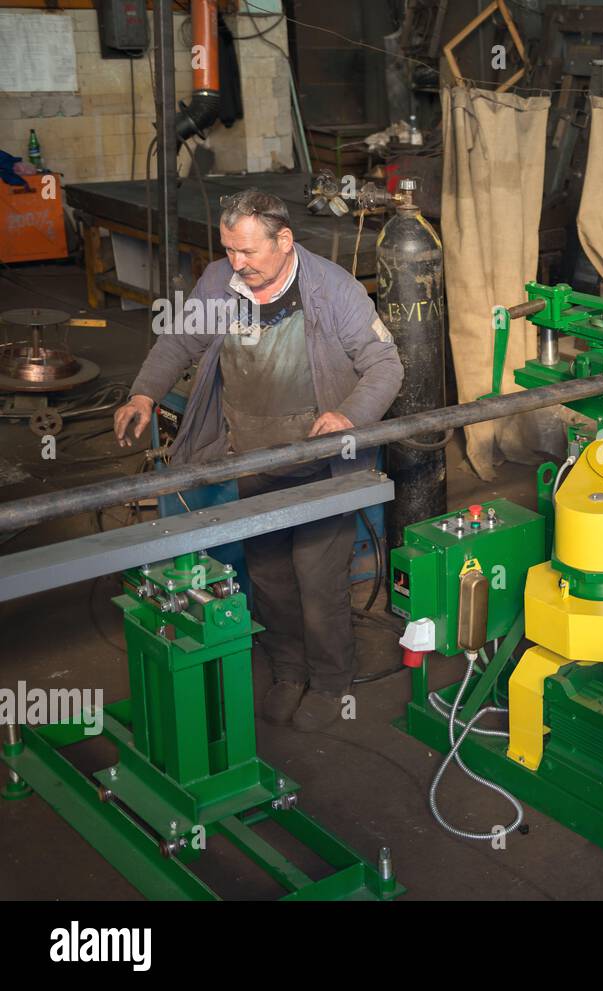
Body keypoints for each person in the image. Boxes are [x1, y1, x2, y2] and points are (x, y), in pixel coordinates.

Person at [113, 188, 402, 731]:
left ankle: (332, 681)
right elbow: (179, 341)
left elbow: (386, 365)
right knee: (267, 575)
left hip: (321, 465)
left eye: (248, 253)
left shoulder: (331, 289)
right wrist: (144, 392)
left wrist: (347, 416)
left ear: (284, 241)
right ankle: (290, 671)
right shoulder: (221, 282)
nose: (236, 265)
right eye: (229, 251)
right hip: (250, 459)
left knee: (318, 581)